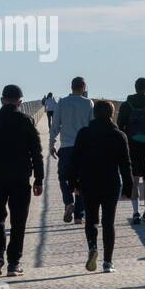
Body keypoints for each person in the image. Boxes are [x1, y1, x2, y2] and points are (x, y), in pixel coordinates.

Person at [0, 83, 44, 277]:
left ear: (2, 100)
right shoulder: (26, 121)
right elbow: (36, 153)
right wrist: (39, 179)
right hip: (21, 177)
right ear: (20, 102)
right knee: (18, 220)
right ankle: (14, 263)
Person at [69, 100, 133, 272]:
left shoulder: (84, 133)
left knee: (91, 219)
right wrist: (128, 187)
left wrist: (73, 182)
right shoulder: (119, 135)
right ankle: (108, 263)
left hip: (88, 182)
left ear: (94, 114)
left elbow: (75, 160)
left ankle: (92, 247)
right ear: (112, 114)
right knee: (108, 222)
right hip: (111, 182)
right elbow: (126, 165)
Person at [117, 77, 145, 224]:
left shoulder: (126, 105)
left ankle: (135, 212)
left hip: (131, 149)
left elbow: (120, 126)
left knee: (134, 181)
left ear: (135, 88)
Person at [50, 76, 93, 224]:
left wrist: (51, 143)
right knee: (81, 180)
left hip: (66, 147)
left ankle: (68, 203)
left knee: (63, 177)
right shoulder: (89, 103)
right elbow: (93, 126)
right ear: (84, 87)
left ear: (71, 87)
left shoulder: (62, 103)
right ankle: (79, 216)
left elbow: (55, 125)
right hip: (84, 149)